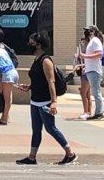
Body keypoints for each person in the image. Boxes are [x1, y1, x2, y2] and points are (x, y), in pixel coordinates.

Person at [15, 32, 78, 165]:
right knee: (36, 129)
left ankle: (70, 153)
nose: (29, 44)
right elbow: (39, 79)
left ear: (38, 44)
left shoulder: (46, 60)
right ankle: (32, 157)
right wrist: (29, 87)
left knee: (50, 128)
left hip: (45, 101)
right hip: (35, 100)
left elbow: (51, 81)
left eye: (31, 42)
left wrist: (54, 102)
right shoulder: (36, 59)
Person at [78, 25, 104, 121]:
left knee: (96, 92)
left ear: (92, 31)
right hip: (90, 69)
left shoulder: (95, 41)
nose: (86, 32)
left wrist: (85, 56)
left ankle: (99, 112)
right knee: (94, 92)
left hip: (94, 70)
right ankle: (98, 112)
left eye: (88, 30)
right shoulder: (91, 42)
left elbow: (99, 54)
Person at [76, 32, 92, 120]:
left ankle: (86, 112)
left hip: (87, 72)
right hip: (84, 72)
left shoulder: (88, 51)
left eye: (84, 40)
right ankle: (89, 111)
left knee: (83, 93)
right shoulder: (84, 50)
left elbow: (88, 62)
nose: (83, 42)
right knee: (87, 93)